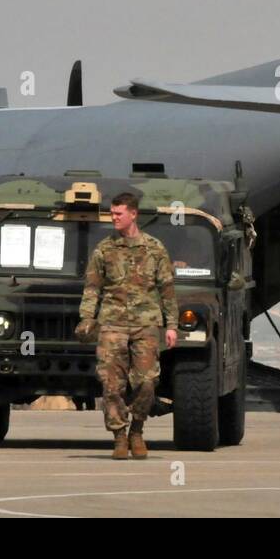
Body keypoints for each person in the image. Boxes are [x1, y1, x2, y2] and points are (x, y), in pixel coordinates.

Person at [76, 192, 178, 459]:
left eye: (119, 214)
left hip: (146, 325)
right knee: (111, 384)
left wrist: (172, 325)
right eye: (112, 213)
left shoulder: (155, 248)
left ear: (133, 214)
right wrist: (87, 318)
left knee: (146, 382)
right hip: (112, 324)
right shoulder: (104, 249)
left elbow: (167, 289)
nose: (114, 218)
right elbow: (92, 288)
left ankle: (137, 429)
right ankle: (119, 436)